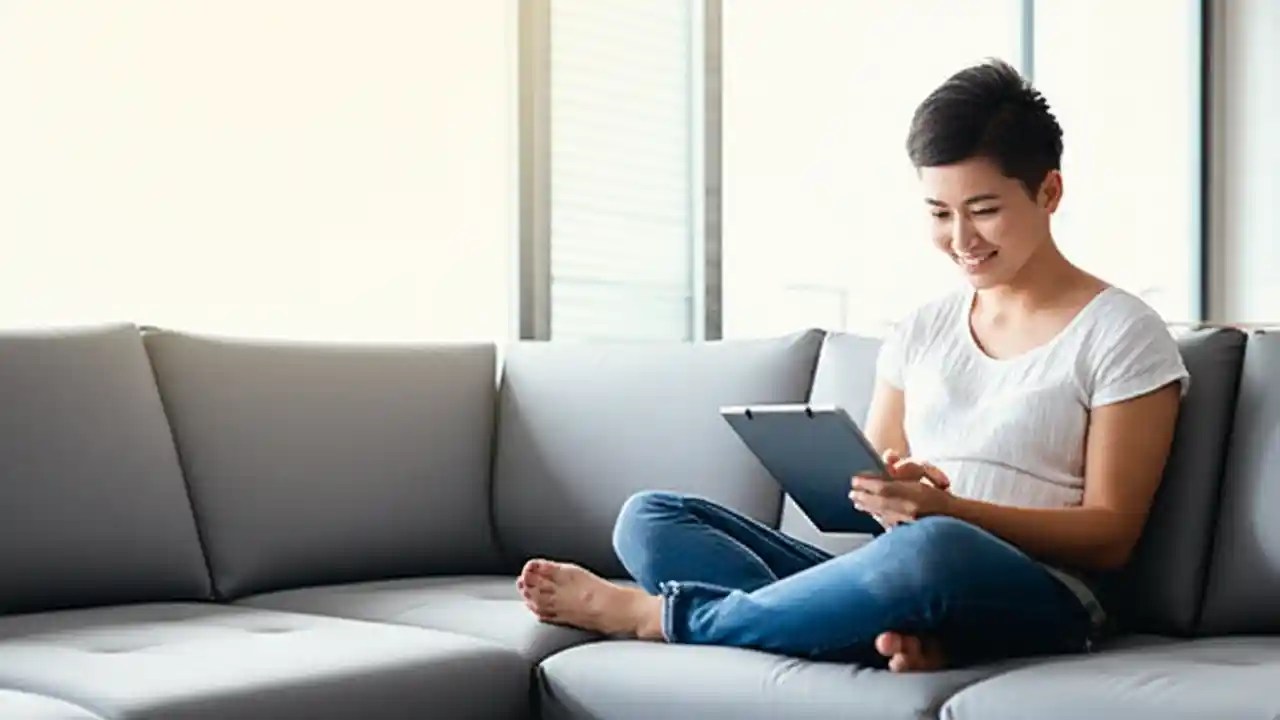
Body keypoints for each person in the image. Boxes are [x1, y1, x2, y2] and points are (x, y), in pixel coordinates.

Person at [516, 59, 1189, 672]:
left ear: (1048, 192)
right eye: (939, 213)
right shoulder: (922, 331)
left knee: (931, 552)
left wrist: (947, 511)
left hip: (1044, 591)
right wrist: (896, 494)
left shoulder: (1120, 331)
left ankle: (663, 616)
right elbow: (875, 511)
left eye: (984, 211)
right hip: (907, 567)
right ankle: (887, 637)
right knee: (652, 517)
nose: (961, 241)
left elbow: (1110, 536)